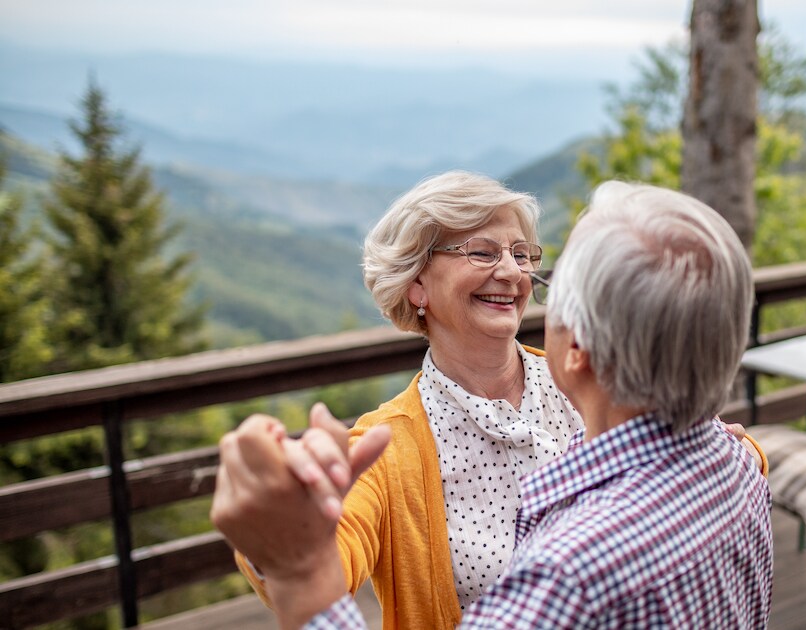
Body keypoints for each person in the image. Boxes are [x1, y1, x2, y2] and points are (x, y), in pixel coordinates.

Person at [214, 180, 773, 629]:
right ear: (417, 285)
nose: (512, 272)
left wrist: (299, 575)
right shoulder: (387, 444)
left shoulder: (589, 386)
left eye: (523, 254)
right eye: (482, 251)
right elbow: (330, 552)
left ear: (577, 344)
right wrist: (289, 541)